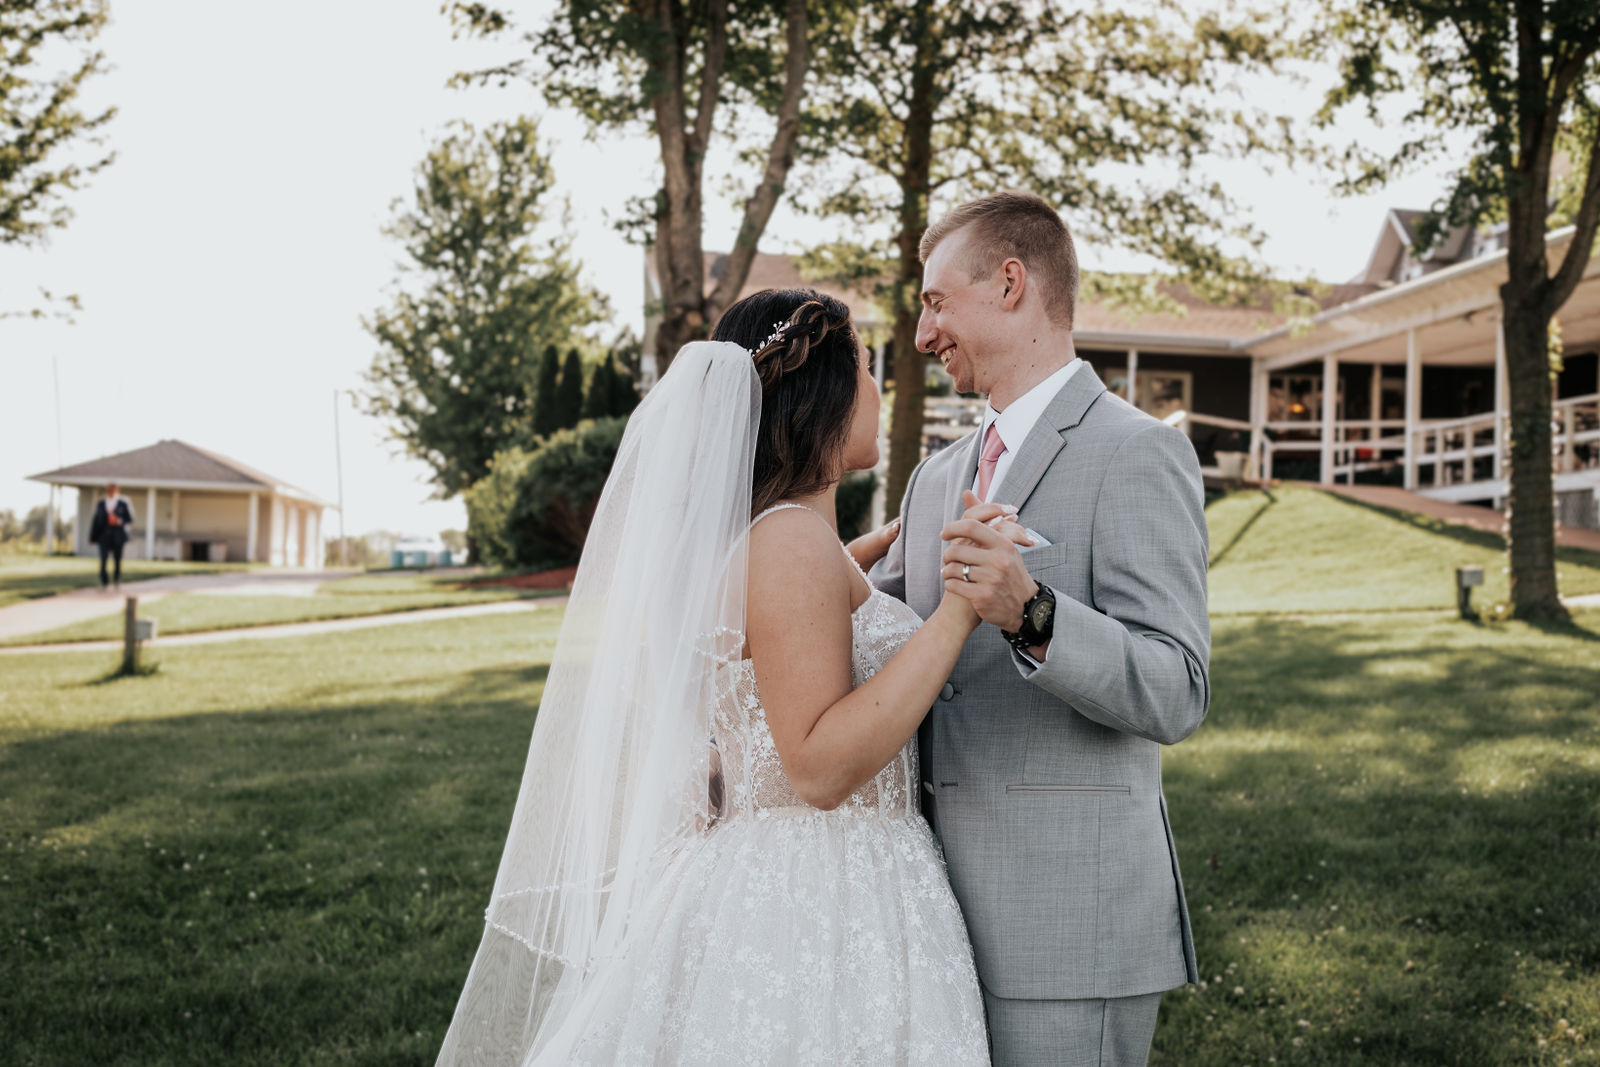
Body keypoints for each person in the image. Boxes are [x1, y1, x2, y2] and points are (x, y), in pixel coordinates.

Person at [436, 289, 1036, 1066]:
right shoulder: (788, 540)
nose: (879, 387)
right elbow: (818, 765)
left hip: (786, 871)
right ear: (820, 392)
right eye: (863, 365)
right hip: (823, 893)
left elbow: (787, 634)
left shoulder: (781, 538)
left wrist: (862, 555)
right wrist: (958, 608)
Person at [870, 190, 1212, 1067]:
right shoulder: (934, 479)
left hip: (1070, 925)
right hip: (927, 917)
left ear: (1011, 282)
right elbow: (890, 652)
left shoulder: (1139, 452)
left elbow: (1176, 689)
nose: (921, 334)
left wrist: (1034, 613)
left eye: (937, 301)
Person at [89, 482, 136, 589]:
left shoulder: (123, 503)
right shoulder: (101, 503)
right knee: (103, 559)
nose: (110, 492)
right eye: (108, 490)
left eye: (112, 490)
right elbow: (96, 521)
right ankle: (104, 581)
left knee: (117, 559)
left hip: (118, 536)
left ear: (117, 490)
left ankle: (116, 579)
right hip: (104, 536)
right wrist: (92, 538)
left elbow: (130, 518)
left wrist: (118, 521)